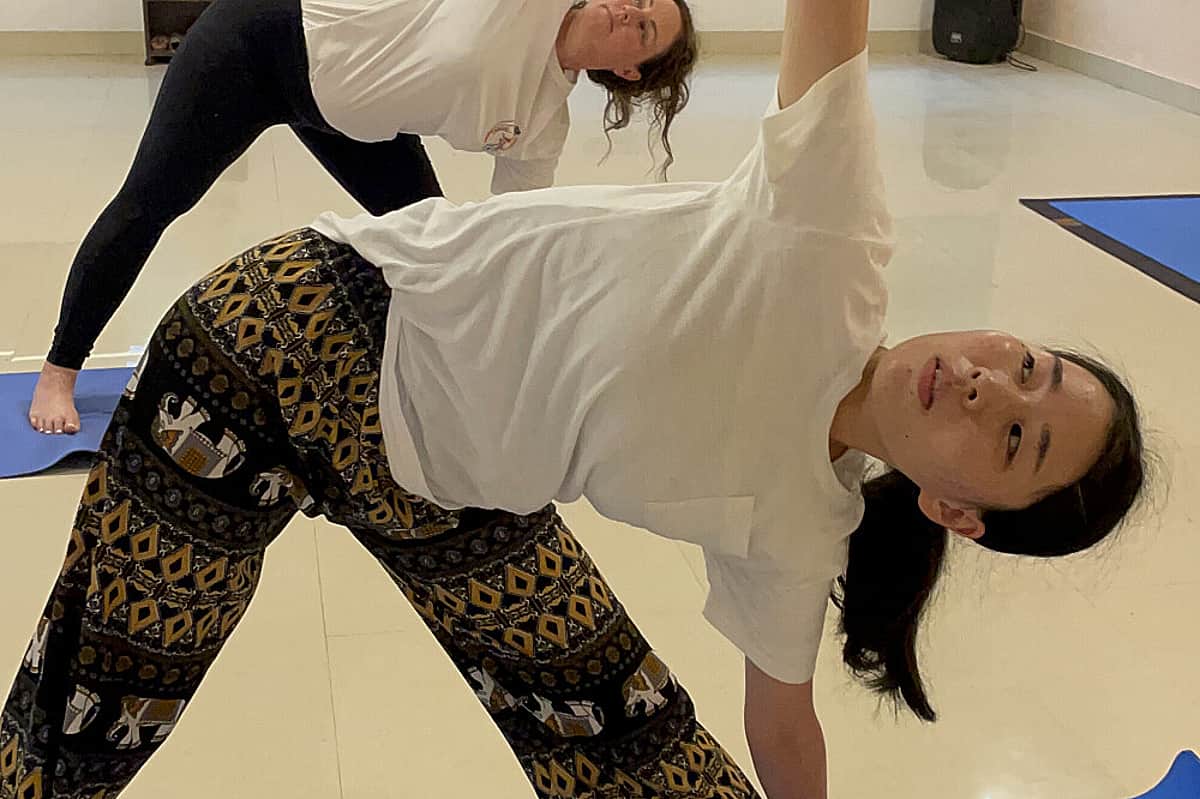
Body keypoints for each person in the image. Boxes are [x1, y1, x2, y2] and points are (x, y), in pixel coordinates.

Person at [2, 0, 1147, 797]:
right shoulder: (832, 234)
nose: (990, 382)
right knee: (94, 717)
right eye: (1029, 366)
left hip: (444, 489)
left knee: (640, 752)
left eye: (1011, 436)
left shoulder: (806, 529)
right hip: (284, 347)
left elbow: (781, 716)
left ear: (956, 508)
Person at [28, 0, 698, 437]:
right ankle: (60, 369)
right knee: (152, 202)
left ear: (632, 71)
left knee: (434, 246)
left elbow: (509, 241)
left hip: (354, 122)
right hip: (261, 42)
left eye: (644, 26)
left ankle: (433, 395)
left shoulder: (542, 122)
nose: (627, 9)